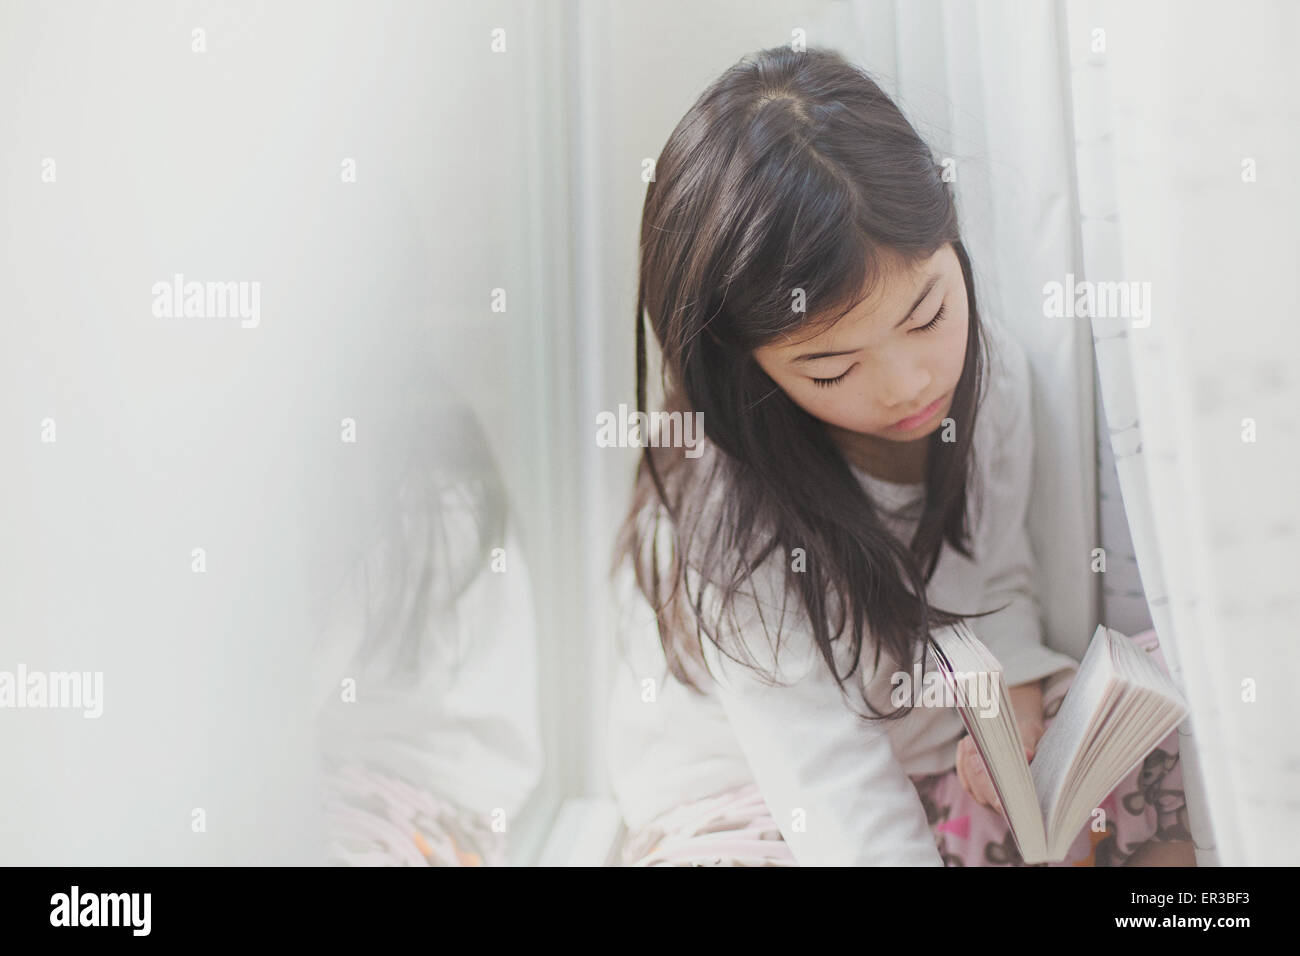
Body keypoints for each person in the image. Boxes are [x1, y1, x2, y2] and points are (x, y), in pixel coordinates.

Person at [605, 45, 1194, 867]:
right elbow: (825, 784)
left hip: (934, 761)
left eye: (927, 314)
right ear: (749, 374)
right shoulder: (725, 519)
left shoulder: (994, 379)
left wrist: (1014, 710)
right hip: (764, 799)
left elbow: (997, 585)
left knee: (1166, 724)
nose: (913, 383)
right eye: (833, 368)